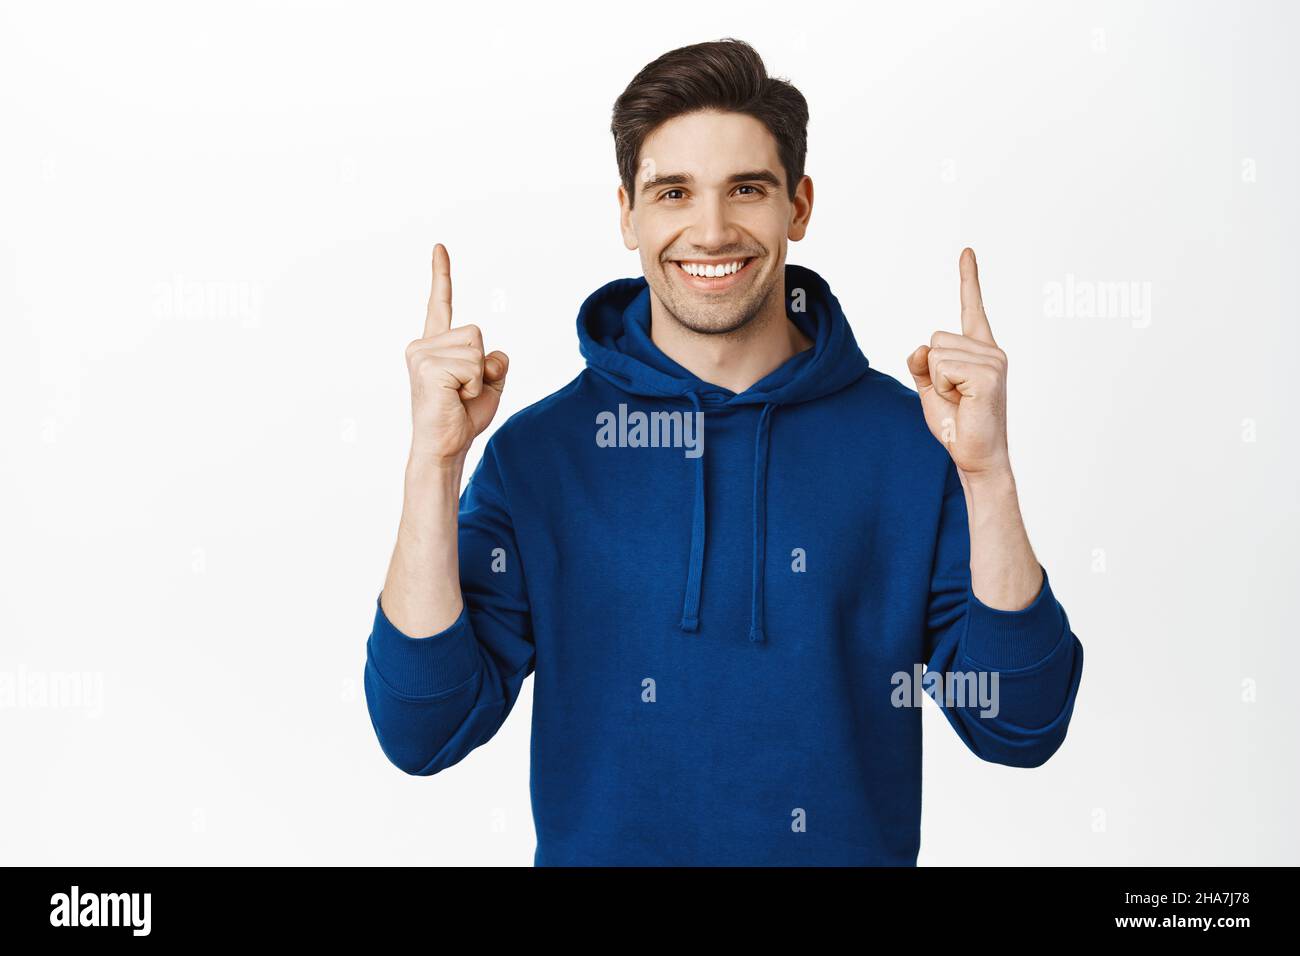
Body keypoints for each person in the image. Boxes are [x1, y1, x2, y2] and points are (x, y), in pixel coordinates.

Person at [362, 38, 1084, 866]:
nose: (710, 232)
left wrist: (988, 476)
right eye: (674, 193)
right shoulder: (539, 455)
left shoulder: (915, 443)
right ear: (628, 213)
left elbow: (1020, 724)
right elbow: (423, 729)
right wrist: (433, 465)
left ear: (798, 207)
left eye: (747, 188)